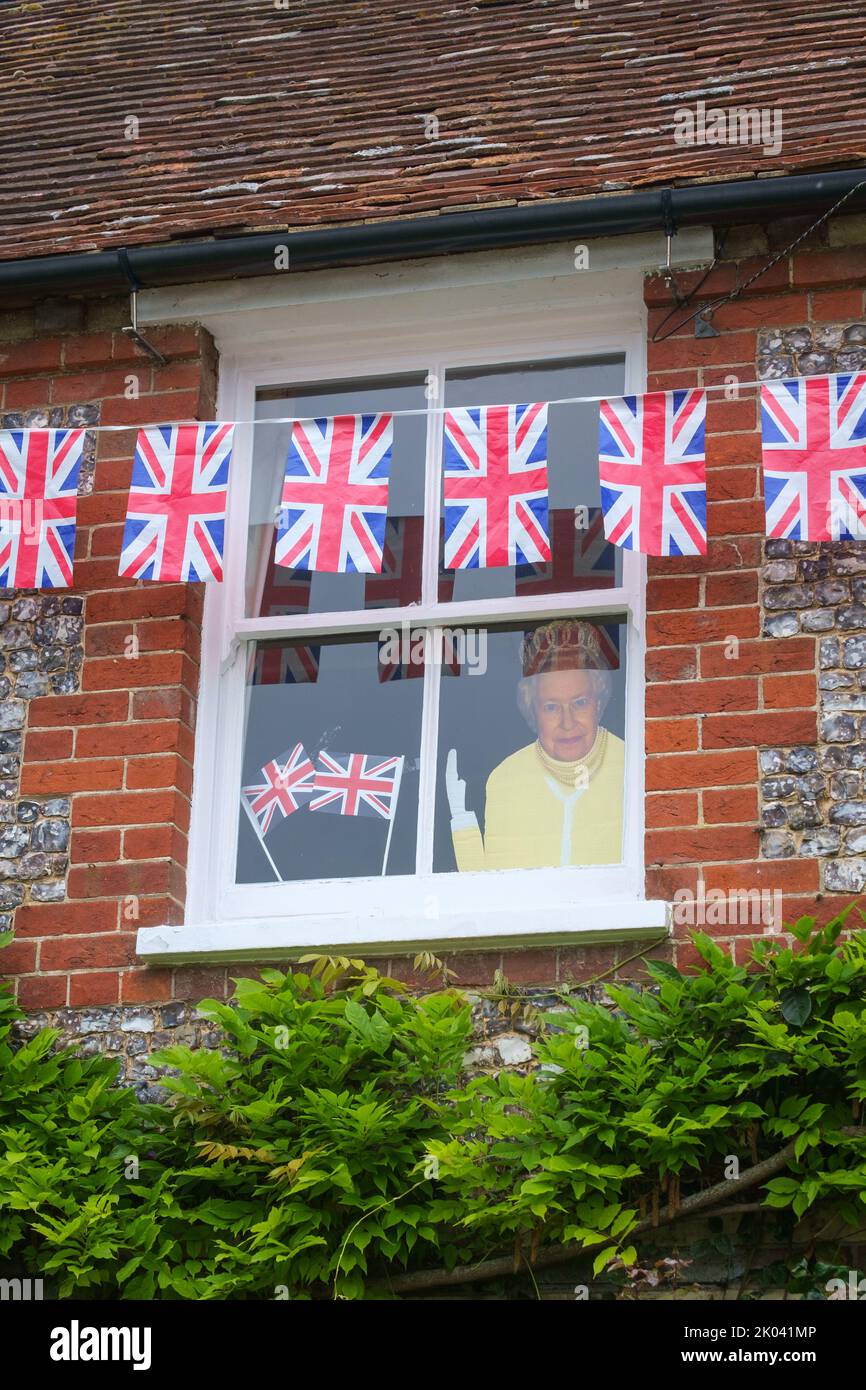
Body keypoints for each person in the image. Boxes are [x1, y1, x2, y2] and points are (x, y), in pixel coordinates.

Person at [445, 619, 624, 871]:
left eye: (580, 702)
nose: (567, 721)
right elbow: (492, 892)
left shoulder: (630, 767)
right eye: (551, 707)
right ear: (533, 710)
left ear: (598, 702)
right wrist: (463, 822)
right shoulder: (505, 779)